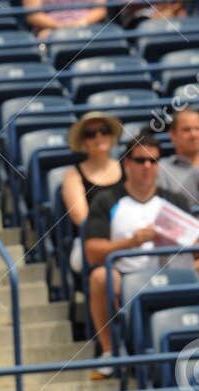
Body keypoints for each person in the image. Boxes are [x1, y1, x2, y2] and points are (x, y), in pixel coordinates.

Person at [82, 131, 198, 376]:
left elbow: (197, 245)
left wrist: (173, 237)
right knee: (100, 277)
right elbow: (92, 251)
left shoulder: (175, 200)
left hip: (172, 272)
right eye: (140, 160)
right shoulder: (106, 200)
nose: (147, 166)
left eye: (153, 161)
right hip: (126, 275)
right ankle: (110, 351)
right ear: (127, 163)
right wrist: (131, 242)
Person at [61, 112, 123, 277]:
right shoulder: (73, 174)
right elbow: (81, 219)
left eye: (104, 131)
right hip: (93, 241)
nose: (99, 136)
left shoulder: (128, 166)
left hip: (131, 235)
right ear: (83, 141)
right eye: (91, 134)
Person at [156, 110, 199, 208]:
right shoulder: (160, 170)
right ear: (173, 135)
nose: (193, 134)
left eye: (198, 128)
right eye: (186, 130)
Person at [26, 0, 106, 40]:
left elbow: (100, 10)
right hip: (50, 30)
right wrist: (60, 26)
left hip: (87, 28)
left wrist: (80, 23)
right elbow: (33, 15)